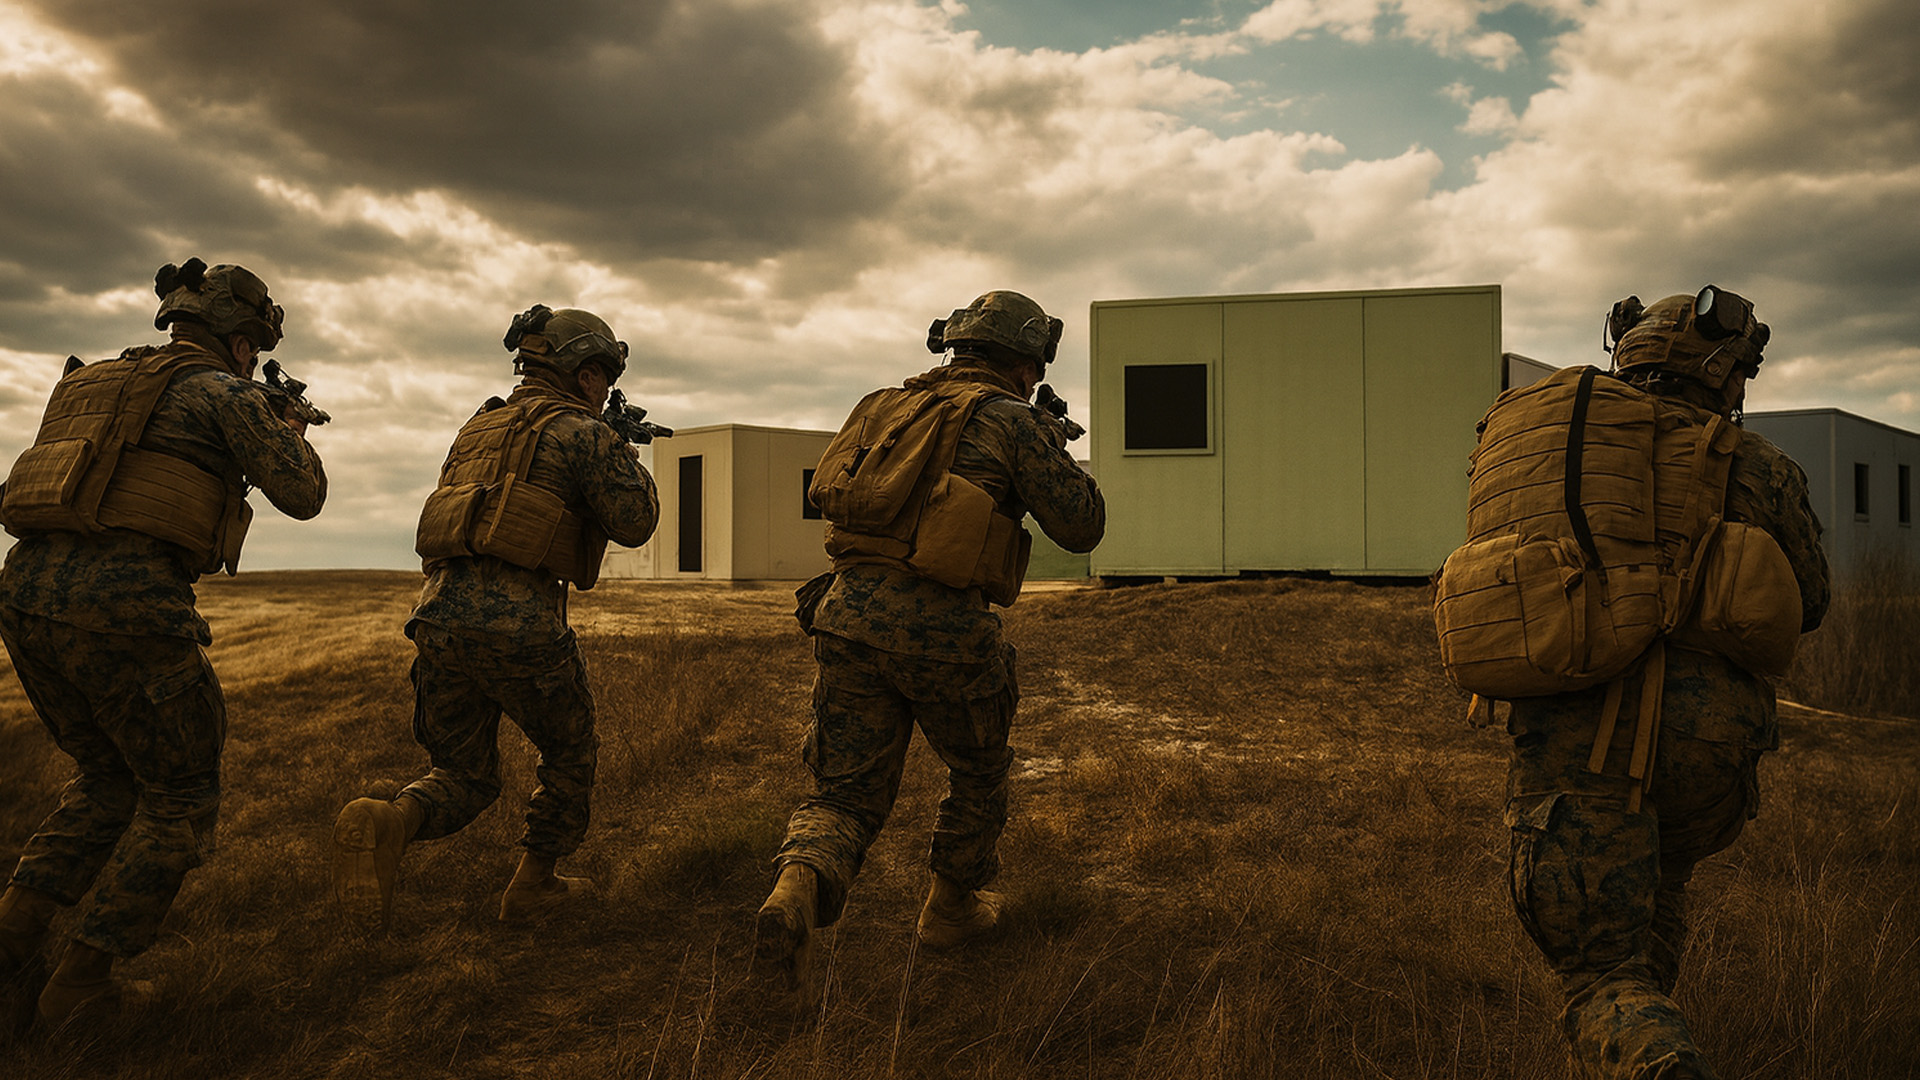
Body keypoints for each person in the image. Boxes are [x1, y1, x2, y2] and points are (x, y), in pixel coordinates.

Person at [1502, 289, 1829, 1078]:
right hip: (1711, 749)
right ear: (1719, 373)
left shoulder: (1562, 450)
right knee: (1653, 909)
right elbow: (1809, 600)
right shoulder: (1759, 466)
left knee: (1597, 974)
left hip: (1585, 741)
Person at [0, 259, 327, 1030]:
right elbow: (304, 495)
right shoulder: (223, 390)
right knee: (181, 795)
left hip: (26, 598)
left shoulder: (91, 384)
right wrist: (284, 428)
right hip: (129, 607)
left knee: (109, 777)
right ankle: (83, 984)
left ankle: (11, 943)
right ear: (245, 343)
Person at [757, 290, 1105, 990]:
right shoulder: (1013, 418)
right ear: (1025, 362)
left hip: (847, 614)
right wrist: (1046, 444)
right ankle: (950, 909)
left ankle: (794, 888)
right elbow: (1082, 525)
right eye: (1034, 366)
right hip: (944, 627)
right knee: (978, 770)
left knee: (844, 792)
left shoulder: (883, 406)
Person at [330, 305, 657, 931]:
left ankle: (391, 821)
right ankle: (535, 884)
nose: (607, 391)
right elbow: (636, 521)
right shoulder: (582, 432)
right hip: (522, 629)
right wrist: (618, 446)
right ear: (585, 373)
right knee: (569, 750)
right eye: (604, 378)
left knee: (463, 774)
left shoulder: (477, 427)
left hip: (438, 622)